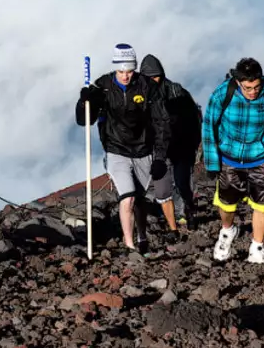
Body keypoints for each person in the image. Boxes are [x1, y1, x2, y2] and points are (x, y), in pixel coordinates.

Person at [75, 43, 171, 251]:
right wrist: (84, 102)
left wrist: (160, 157)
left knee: (139, 199)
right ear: (115, 68)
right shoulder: (104, 87)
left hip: (143, 151)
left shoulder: (147, 87)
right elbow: (84, 121)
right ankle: (129, 246)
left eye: (129, 71)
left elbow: (162, 122)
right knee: (127, 197)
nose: (125, 76)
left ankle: (141, 237)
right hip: (116, 149)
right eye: (121, 71)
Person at [202, 57, 264, 264]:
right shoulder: (223, 93)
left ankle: (257, 247)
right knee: (227, 204)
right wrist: (212, 163)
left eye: (256, 86)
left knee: (262, 205)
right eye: (248, 88)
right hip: (229, 158)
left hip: (260, 157)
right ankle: (227, 232)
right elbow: (209, 126)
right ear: (238, 82)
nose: (253, 92)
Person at [139, 54, 202, 229]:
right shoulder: (139, 96)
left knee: (182, 182)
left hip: (182, 145)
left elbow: (192, 118)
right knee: (164, 187)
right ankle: (175, 217)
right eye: (149, 77)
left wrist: (194, 143)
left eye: (156, 76)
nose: (154, 80)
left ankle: (186, 211)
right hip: (160, 148)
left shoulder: (176, 91)